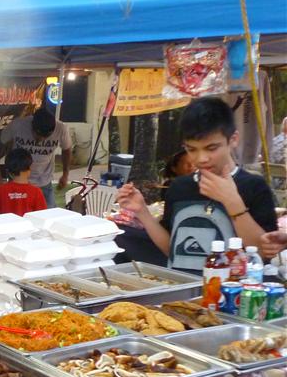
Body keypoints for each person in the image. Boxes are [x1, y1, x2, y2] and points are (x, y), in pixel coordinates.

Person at [116, 97, 278, 274]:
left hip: (232, 296)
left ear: (233, 139)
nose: (201, 158)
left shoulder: (254, 186)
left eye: (211, 148)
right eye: (192, 149)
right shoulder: (179, 187)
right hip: (183, 293)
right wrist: (142, 212)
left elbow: (262, 254)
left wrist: (232, 202)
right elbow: (174, 251)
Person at [0, 106, 71, 208]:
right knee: (14, 212)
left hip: (43, 181)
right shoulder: (18, 125)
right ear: (32, 125)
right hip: (17, 180)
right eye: (37, 135)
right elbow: (1, 143)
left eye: (45, 137)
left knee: (48, 215)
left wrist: (65, 174)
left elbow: (67, 149)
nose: (40, 140)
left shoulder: (61, 129)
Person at [0, 147, 47, 216]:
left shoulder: (2, 190)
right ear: (30, 168)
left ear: (9, 172)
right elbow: (42, 216)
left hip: (5, 226)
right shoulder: (36, 192)